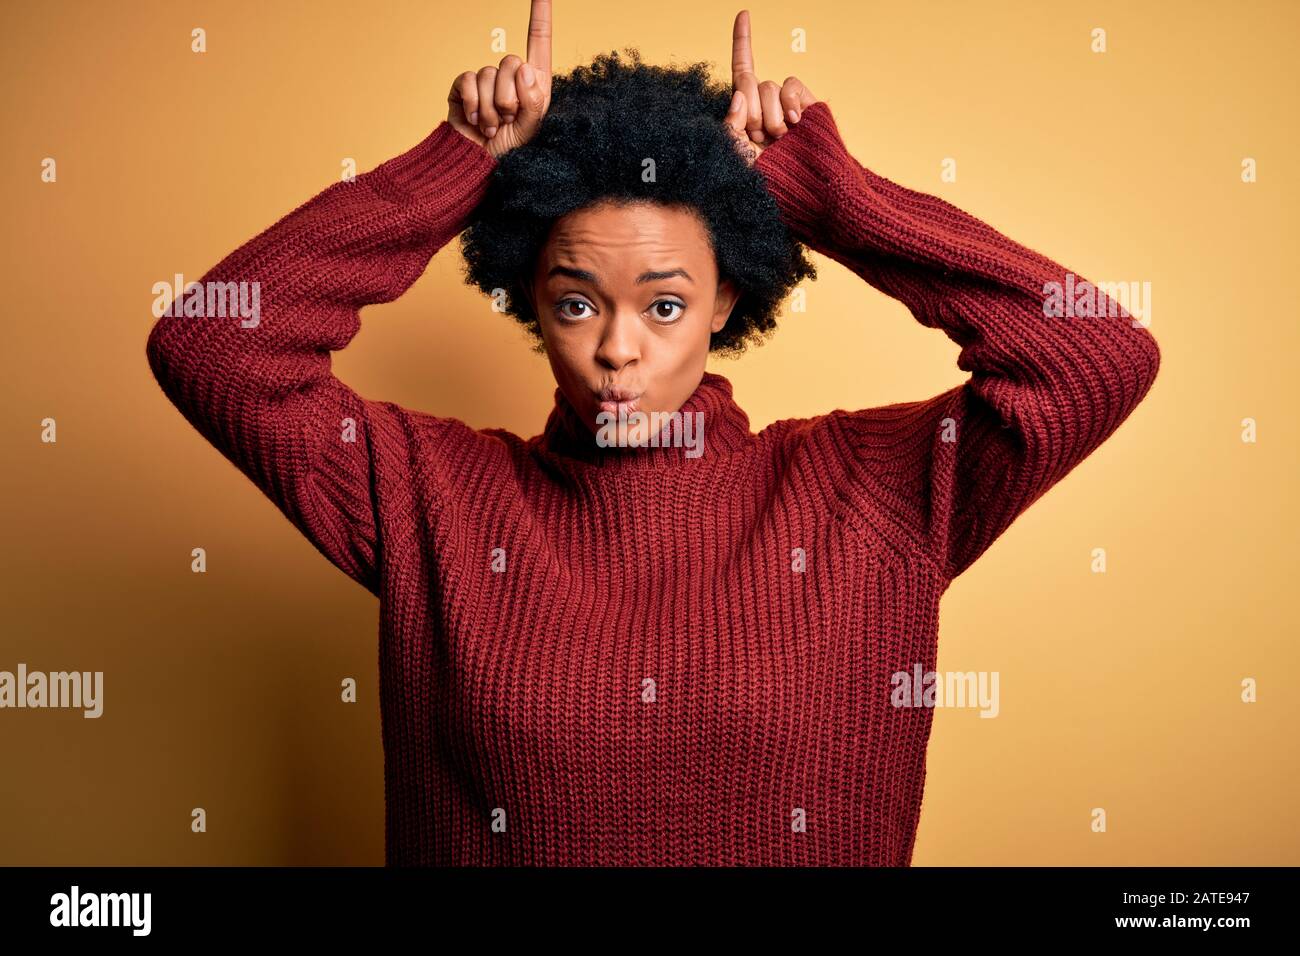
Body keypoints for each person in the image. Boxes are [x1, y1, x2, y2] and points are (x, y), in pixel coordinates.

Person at [145, 2, 1160, 865]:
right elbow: (212, 347)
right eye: (576, 302)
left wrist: (838, 203)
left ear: (727, 299)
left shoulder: (873, 491)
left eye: (664, 305)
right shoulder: (428, 494)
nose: (618, 350)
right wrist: (456, 166)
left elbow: (1096, 358)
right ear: (532, 304)